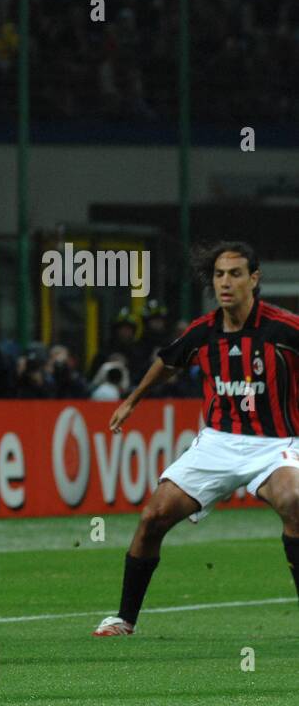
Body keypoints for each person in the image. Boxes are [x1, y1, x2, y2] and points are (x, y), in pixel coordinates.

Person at [95, 241, 299, 636]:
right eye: (219, 274)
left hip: (277, 444)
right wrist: (132, 402)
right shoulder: (203, 332)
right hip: (218, 442)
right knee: (153, 517)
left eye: (235, 274)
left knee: (293, 500)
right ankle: (124, 618)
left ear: (254, 279)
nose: (226, 282)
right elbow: (167, 362)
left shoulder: (283, 327)